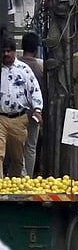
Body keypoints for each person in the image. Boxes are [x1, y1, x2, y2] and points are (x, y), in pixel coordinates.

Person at [0, 38, 43, 177]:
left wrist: (37, 109)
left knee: (18, 159)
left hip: (19, 118)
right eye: (4, 51)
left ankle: (13, 187)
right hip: (1, 118)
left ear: (14, 52)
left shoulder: (24, 69)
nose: (6, 54)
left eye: (9, 51)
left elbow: (34, 90)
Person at [19, 33, 44, 176]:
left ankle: (20, 176)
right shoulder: (40, 67)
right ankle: (28, 175)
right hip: (35, 111)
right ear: (36, 49)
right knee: (31, 146)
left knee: (18, 146)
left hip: (18, 112)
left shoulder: (17, 66)